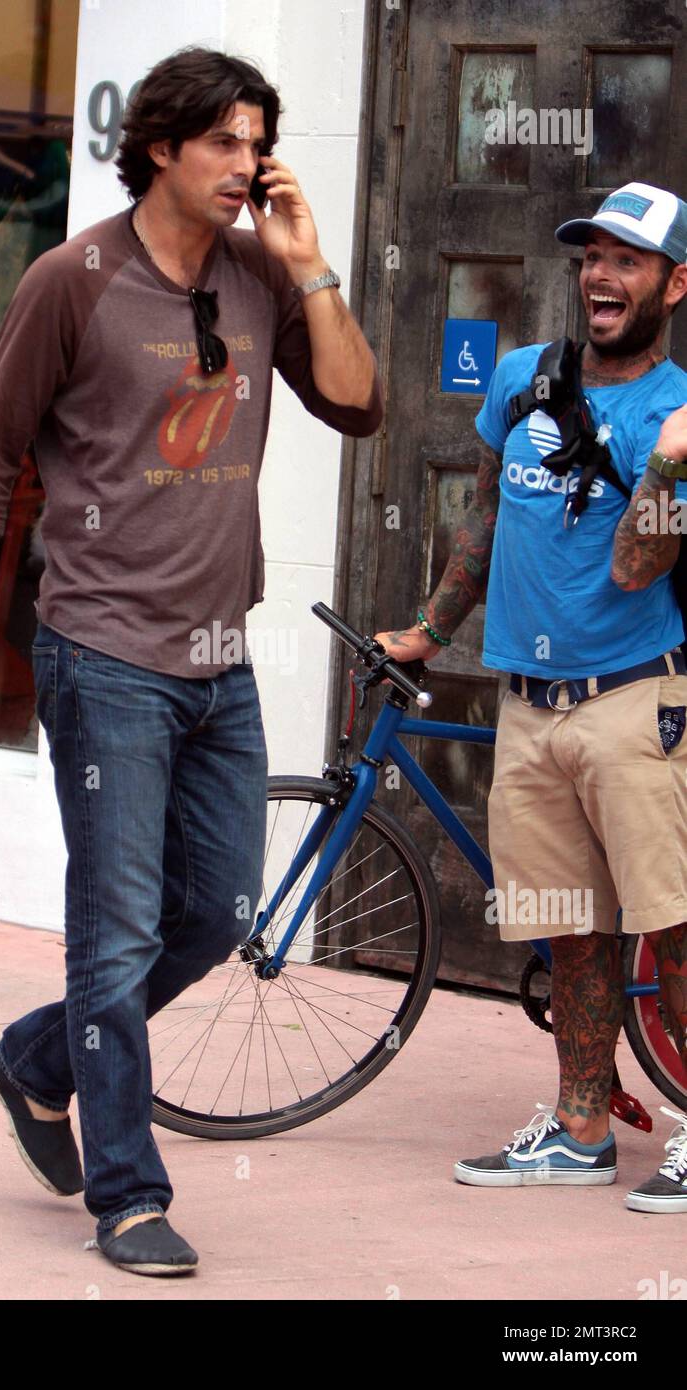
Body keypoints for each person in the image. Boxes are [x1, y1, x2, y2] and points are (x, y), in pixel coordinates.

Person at [0, 45, 384, 1275]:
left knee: (220, 908)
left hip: (223, 662)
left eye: (258, 141)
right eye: (224, 141)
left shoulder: (256, 274)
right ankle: (127, 1192)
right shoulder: (72, 281)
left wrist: (311, 261)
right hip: (104, 653)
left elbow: (359, 401)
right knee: (115, 931)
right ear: (162, 146)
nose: (247, 164)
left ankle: (32, 1060)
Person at [376, 181, 687, 1212]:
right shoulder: (517, 379)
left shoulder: (674, 410)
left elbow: (642, 566)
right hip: (529, 701)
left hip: (634, 700)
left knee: (674, 926)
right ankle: (582, 1127)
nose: (602, 275)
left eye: (628, 260)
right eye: (591, 256)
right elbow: (486, 522)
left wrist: (676, 463)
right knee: (569, 926)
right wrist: (431, 626)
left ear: (673, 284)